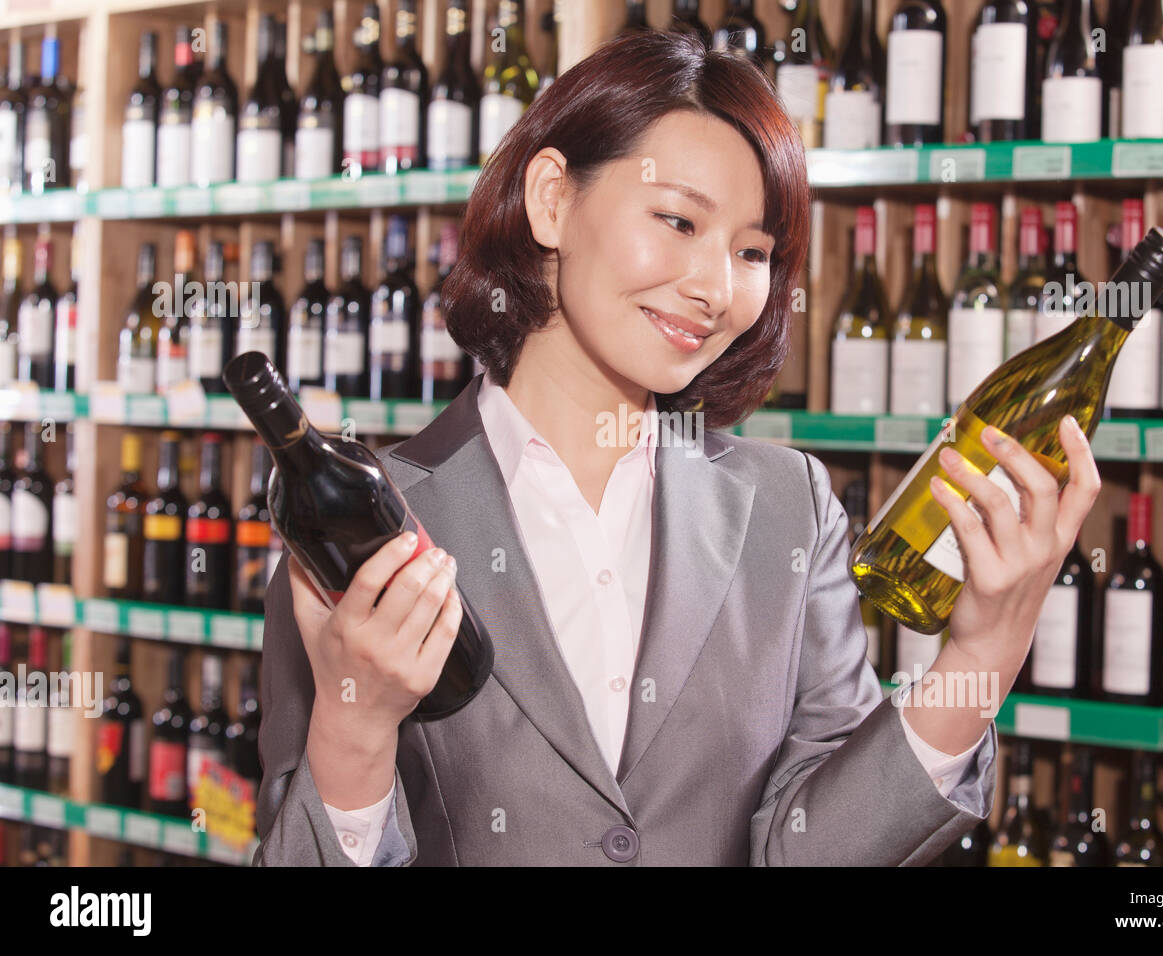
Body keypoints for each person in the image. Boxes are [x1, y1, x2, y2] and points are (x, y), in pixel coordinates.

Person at [253, 30, 1101, 866]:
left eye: (752, 251)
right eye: (677, 219)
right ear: (553, 200)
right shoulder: (368, 529)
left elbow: (813, 851)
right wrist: (354, 725)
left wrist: (981, 656)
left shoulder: (787, 506)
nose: (716, 288)